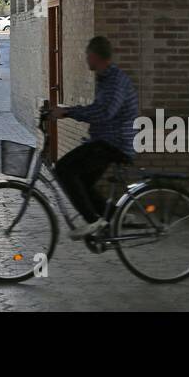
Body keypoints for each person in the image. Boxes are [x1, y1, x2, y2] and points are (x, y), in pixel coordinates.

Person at [50, 36, 139, 238]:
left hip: (114, 143)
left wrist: (67, 112)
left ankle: (93, 221)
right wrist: (67, 111)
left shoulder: (115, 80)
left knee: (64, 169)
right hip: (105, 141)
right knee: (82, 181)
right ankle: (116, 216)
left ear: (94, 56)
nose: (85, 59)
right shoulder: (105, 77)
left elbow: (104, 112)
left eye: (87, 55)